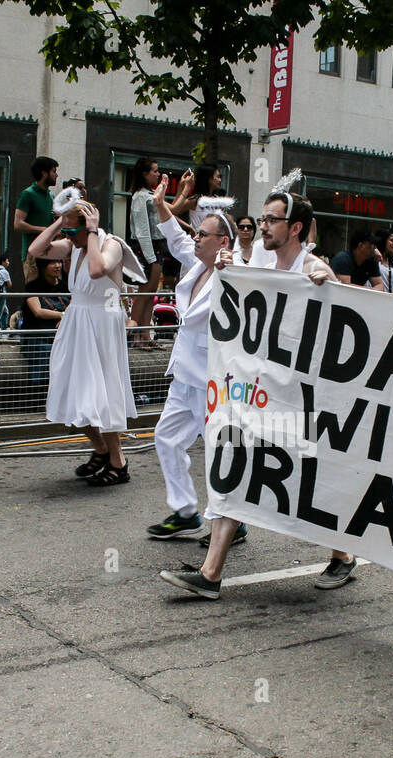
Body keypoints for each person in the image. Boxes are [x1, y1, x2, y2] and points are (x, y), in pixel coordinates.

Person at [159, 187, 359, 598]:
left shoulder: (313, 266)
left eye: (271, 220)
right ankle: (211, 573)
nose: (262, 227)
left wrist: (331, 284)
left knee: (310, 477)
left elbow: (342, 325)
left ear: (296, 227)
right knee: (235, 462)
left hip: (302, 398)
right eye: (262, 220)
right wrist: (229, 271)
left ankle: (343, 554)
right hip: (259, 392)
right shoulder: (263, 261)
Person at [143, 173, 236, 541]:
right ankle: (185, 511)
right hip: (184, 373)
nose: (195, 239)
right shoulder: (198, 264)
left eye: (203, 235)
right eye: (196, 235)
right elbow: (176, 238)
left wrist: (235, 267)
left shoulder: (235, 271)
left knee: (219, 453)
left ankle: (231, 518)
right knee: (165, 437)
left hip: (214, 381)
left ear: (222, 241)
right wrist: (160, 205)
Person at [28, 192, 142, 486]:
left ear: (88, 225)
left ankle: (119, 463)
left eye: (71, 229)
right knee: (71, 392)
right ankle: (102, 451)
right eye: (65, 230)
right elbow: (36, 250)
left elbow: (97, 269)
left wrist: (90, 231)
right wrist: (60, 222)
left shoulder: (110, 244)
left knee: (101, 395)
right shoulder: (73, 245)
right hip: (77, 321)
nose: (67, 236)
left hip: (102, 322)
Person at [128, 157, 165, 350]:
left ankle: (145, 334)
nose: (157, 174)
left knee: (151, 294)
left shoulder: (150, 194)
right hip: (146, 247)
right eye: (154, 171)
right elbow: (142, 230)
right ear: (144, 173)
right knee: (144, 293)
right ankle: (136, 336)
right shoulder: (139, 197)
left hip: (156, 245)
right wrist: (150, 257)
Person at [20, 257, 68, 388]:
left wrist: (65, 319)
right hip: (38, 336)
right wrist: (63, 315)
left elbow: (74, 307)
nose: (57, 265)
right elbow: (38, 311)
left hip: (62, 335)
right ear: (42, 266)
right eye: (52, 262)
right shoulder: (32, 286)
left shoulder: (66, 286)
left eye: (59, 262)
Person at [14, 155, 59, 269]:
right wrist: (43, 230)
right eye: (54, 171)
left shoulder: (51, 196)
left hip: (49, 256)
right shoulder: (27, 194)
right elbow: (18, 224)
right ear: (44, 173)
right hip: (32, 257)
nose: (56, 175)